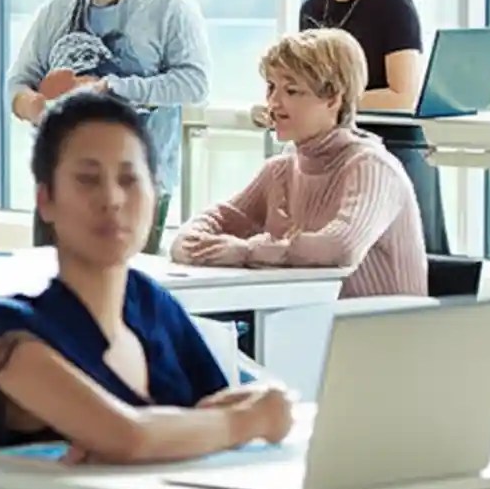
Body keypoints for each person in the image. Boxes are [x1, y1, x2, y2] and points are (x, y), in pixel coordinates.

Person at [0, 91, 291, 460]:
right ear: (46, 200)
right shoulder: (2, 329)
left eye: (130, 179)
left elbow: (219, 405)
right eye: (88, 179)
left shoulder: (153, 304)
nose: (112, 199)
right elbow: (131, 437)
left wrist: (200, 428)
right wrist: (248, 422)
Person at [6, 0, 212, 255]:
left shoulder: (170, 8)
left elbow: (195, 84)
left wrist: (110, 88)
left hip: (138, 186)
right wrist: (37, 106)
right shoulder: (57, 10)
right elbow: (17, 83)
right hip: (60, 183)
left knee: (120, 300)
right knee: (55, 300)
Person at [172, 29, 427, 298]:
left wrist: (248, 251)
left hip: (381, 332)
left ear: (333, 98)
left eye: (292, 91)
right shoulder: (279, 170)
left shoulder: (372, 167)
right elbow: (188, 237)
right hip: (307, 325)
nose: (273, 103)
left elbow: (340, 247)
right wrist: (210, 246)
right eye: (271, 87)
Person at [298, 0, 449, 256]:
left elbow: (402, 94)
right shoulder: (312, 9)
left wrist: (325, 103)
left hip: (394, 149)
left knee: (405, 261)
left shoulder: (393, 4)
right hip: (334, 152)